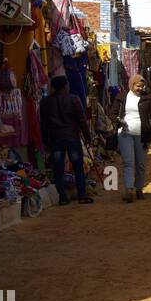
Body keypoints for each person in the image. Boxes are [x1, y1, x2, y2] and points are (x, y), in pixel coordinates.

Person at [39, 76, 93, 205]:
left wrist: (46, 141)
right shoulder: (73, 99)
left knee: (58, 169)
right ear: (65, 86)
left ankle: (63, 197)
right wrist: (87, 137)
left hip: (55, 139)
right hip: (72, 138)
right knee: (78, 167)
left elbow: (43, 124)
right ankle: (81, 195)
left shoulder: (45, 102)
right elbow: (82, 120)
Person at [111, 75, 151, 203]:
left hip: (142, 134)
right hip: (125, 133)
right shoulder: (122, 96)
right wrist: (118, 121)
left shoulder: (148, 98)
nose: (140, 88)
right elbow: (112, 113)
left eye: (142, 86)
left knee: (140, 164)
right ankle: (129, 190)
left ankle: (139, 188)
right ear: (131, 85)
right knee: (128, 162)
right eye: (137, 86)